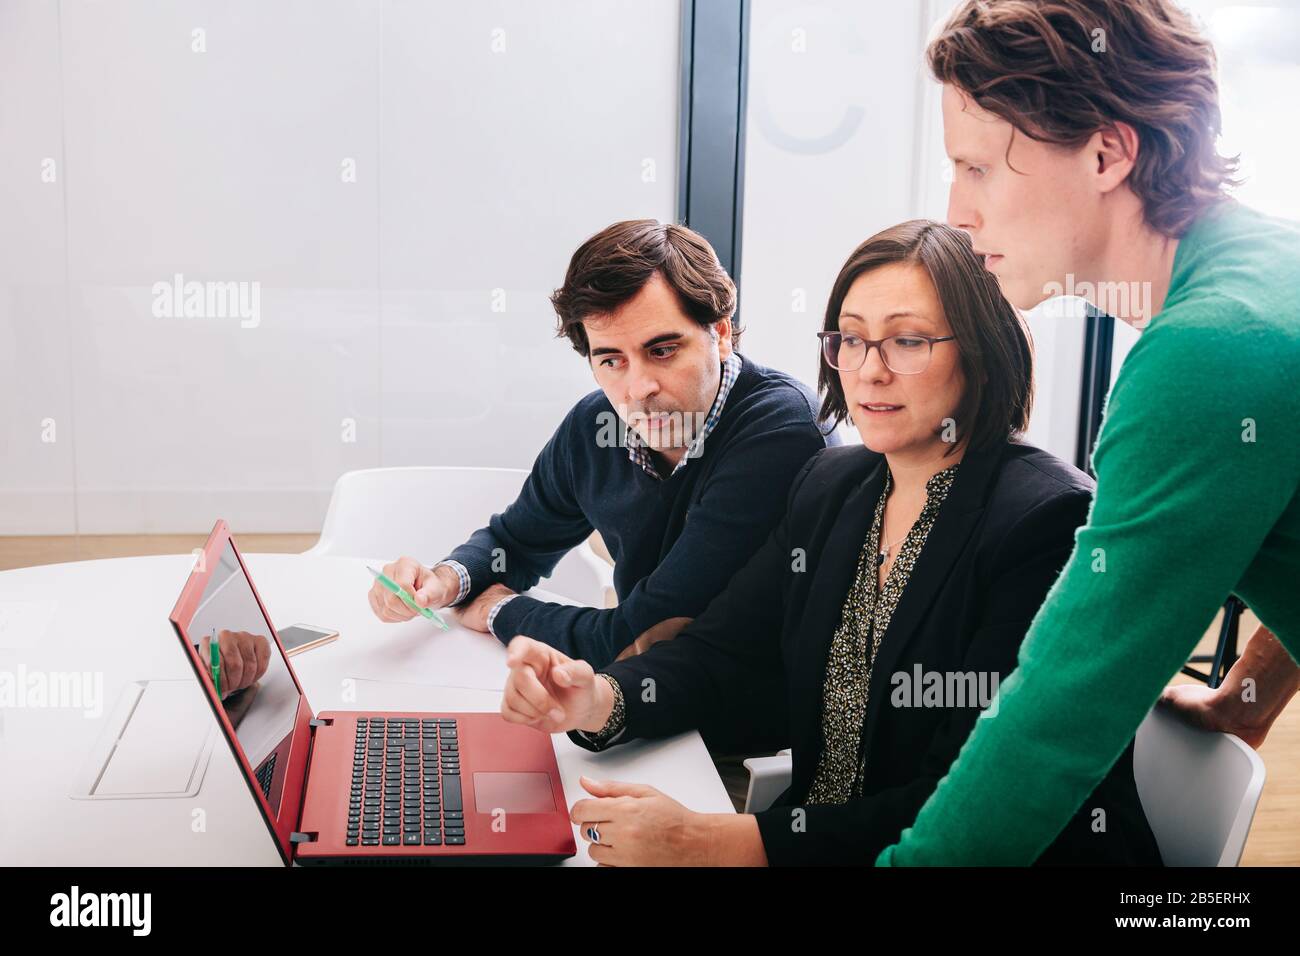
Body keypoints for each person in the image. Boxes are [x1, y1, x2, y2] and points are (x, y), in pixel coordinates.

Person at [497, 220, 1162, 865]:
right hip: (818, 840)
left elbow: (969, 805)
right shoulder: (832, 485)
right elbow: (720, 650)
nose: (869, 371)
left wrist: (710, 844)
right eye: (850, 339)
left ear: (981, 350)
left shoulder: (1046, 522)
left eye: (907, 341)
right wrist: (601, 700)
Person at [877, 0, 1300, 866]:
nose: (957, 210)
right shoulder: (1262, 272)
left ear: (1107, 152)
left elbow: (1059, 718)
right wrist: (1245, 702)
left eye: (980, 169)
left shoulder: (1212, 355)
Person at [366, 219, 837, 668]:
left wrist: (498, 613)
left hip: (747, 736)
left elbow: (645, 635)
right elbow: (516, 543)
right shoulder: (596, 423)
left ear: (718, 333)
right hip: (641, 706)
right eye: (611, 360)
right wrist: (442, 582)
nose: (638, 389)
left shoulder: (782, 432)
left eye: (662, 350)